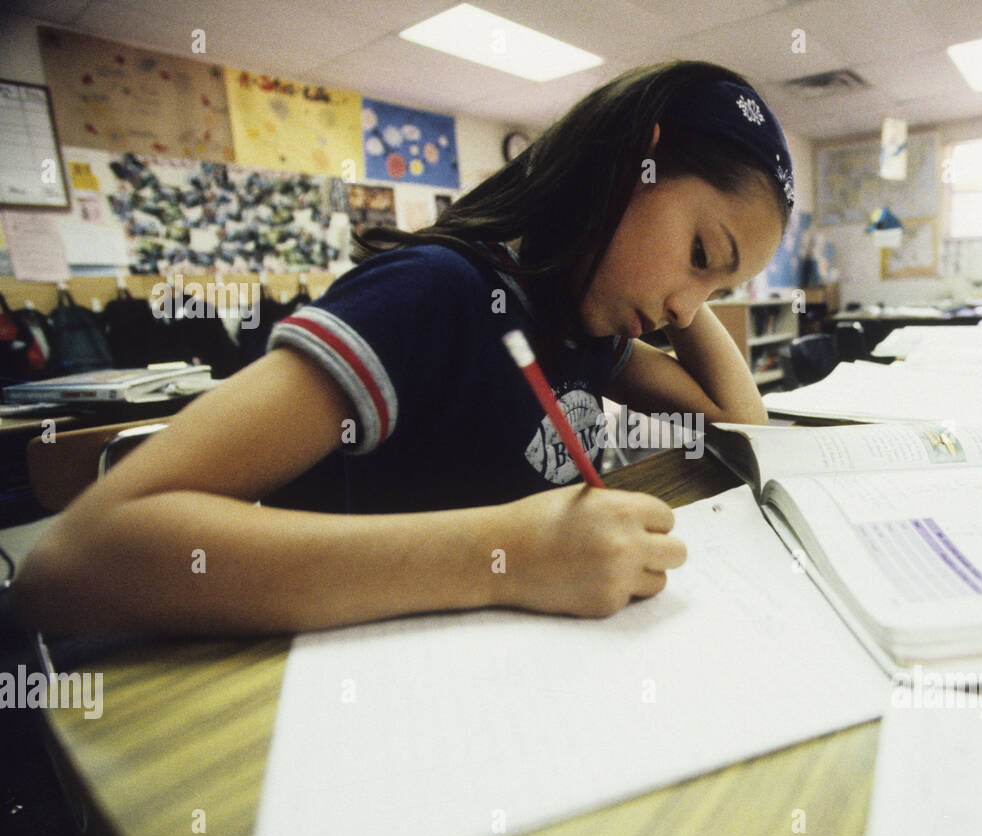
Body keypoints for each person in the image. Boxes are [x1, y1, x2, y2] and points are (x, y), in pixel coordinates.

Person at [15, 61, 792, 637]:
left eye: (721, 290)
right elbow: (75, 561)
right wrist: (511, 555)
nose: (688, 309)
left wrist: (682, 287)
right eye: (699, 250)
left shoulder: (580, 326)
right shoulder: (434, 295)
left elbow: (737, 419)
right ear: (633, 163)